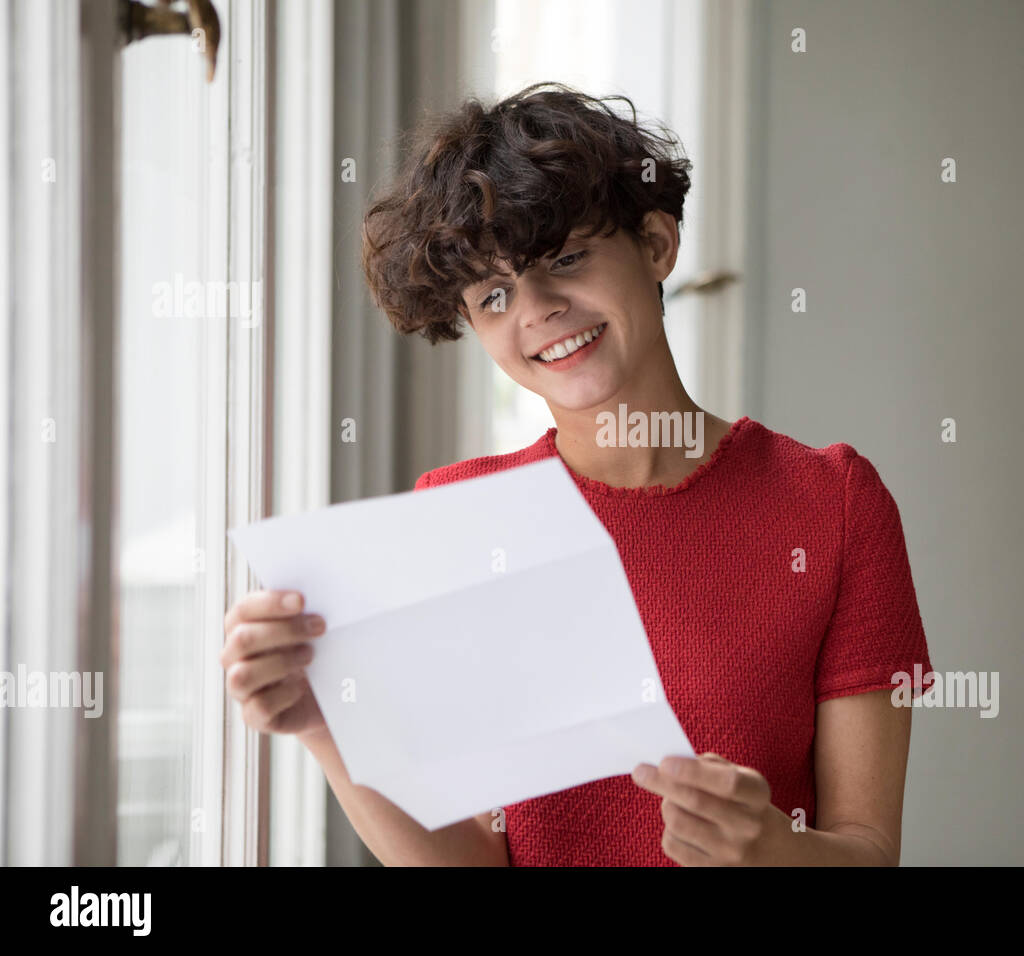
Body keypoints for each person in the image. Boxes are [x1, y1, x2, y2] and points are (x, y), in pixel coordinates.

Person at [221, 82, 934, 866]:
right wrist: (327, 726)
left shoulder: (831, 501)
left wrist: (769, 849)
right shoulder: (458, 517)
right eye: (493, 294)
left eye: (565, 256)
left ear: (657, 244)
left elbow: (868, 850)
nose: (537, 309)